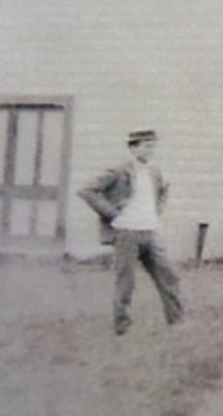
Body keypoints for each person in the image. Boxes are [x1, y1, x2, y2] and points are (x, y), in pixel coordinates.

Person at [78, 129, 183, 335]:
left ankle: (177, 321)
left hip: (150, 231)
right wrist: (114, 215)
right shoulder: (118, 170)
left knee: (168, 276)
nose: (151, 150)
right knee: (126, 282)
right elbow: (87, 190)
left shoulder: (154, 171)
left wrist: (157, 211)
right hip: (126, 232)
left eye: (153, 146)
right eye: (147, 146)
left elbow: (163, 191)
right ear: (133, 148)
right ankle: (122, 327)